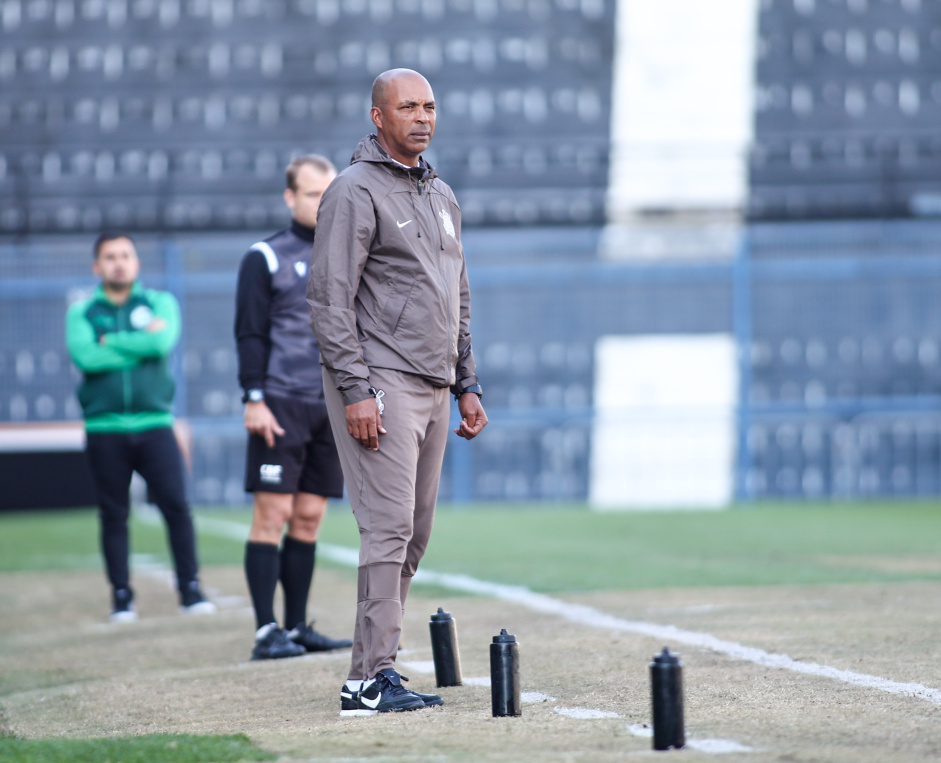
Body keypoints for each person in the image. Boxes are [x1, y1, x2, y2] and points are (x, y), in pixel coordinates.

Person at [308, 68, 487, 715]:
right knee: (385, 529)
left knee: (412, 535)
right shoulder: (353, 191)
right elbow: (329, 297)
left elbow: (456, 294)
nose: (422, 116)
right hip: (379, 381)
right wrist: (355, 388)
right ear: (378, 117)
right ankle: (374, 673)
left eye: (430, 105)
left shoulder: (441, 194)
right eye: (407, 106)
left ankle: (365, 674)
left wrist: (465, 380)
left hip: (435, 384)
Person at [235, 155, 353, 661]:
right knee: (274, 514)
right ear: (290, 197)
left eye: (329, 193)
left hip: (330, 405)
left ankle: (298, 625)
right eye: (311, 194)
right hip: (280, 403)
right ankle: (266, 631)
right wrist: (253, 398)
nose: (321, 202)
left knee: (307, 518)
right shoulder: (264, 256)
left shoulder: (349, 255)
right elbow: (250, 334)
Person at [65, 232, 216, 622]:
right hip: (104, 428)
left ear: (136, 263)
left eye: (126, 255)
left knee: (177, 507)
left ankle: (191, 591)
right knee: (113, 514)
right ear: (97, 266)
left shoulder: (160, 302)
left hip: (155, 424)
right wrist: (136, 341)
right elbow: (86, 356)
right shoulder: (81, 312)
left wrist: (110, 339)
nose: (119, 262)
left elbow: (161, 343)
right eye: (110, 257)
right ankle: (121, 598)